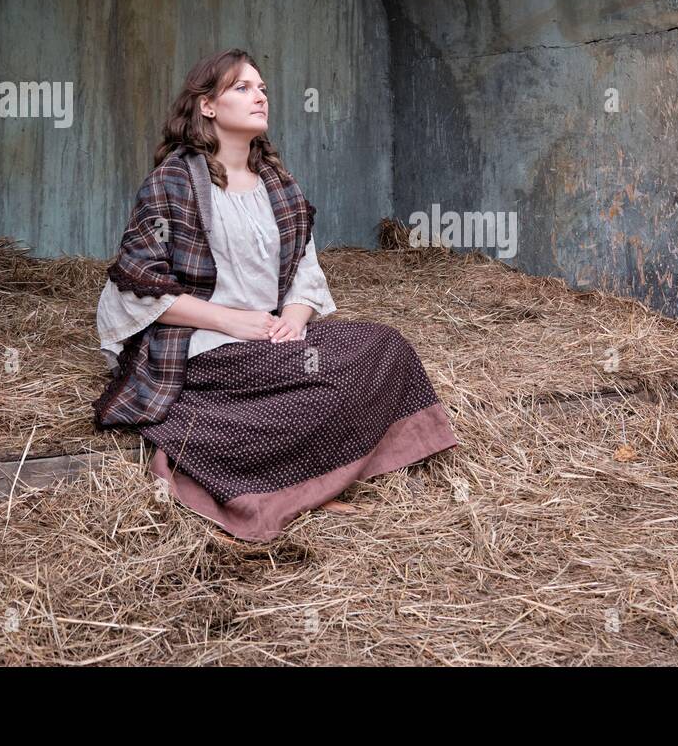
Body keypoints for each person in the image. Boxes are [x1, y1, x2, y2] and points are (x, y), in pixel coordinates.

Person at [92, 48, 458, 542]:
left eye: (262, 87)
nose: (259, 96)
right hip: (205, 341)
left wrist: (296, 315)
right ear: (207, 106)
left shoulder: (277, 184)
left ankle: (313, 475)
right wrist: (228, 320)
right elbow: (138, 288)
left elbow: (306, 269)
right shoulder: (172, 182)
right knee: (300, 382)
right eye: (241, 87)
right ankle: (281, 489)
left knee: (385, 345)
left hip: (273, 333)